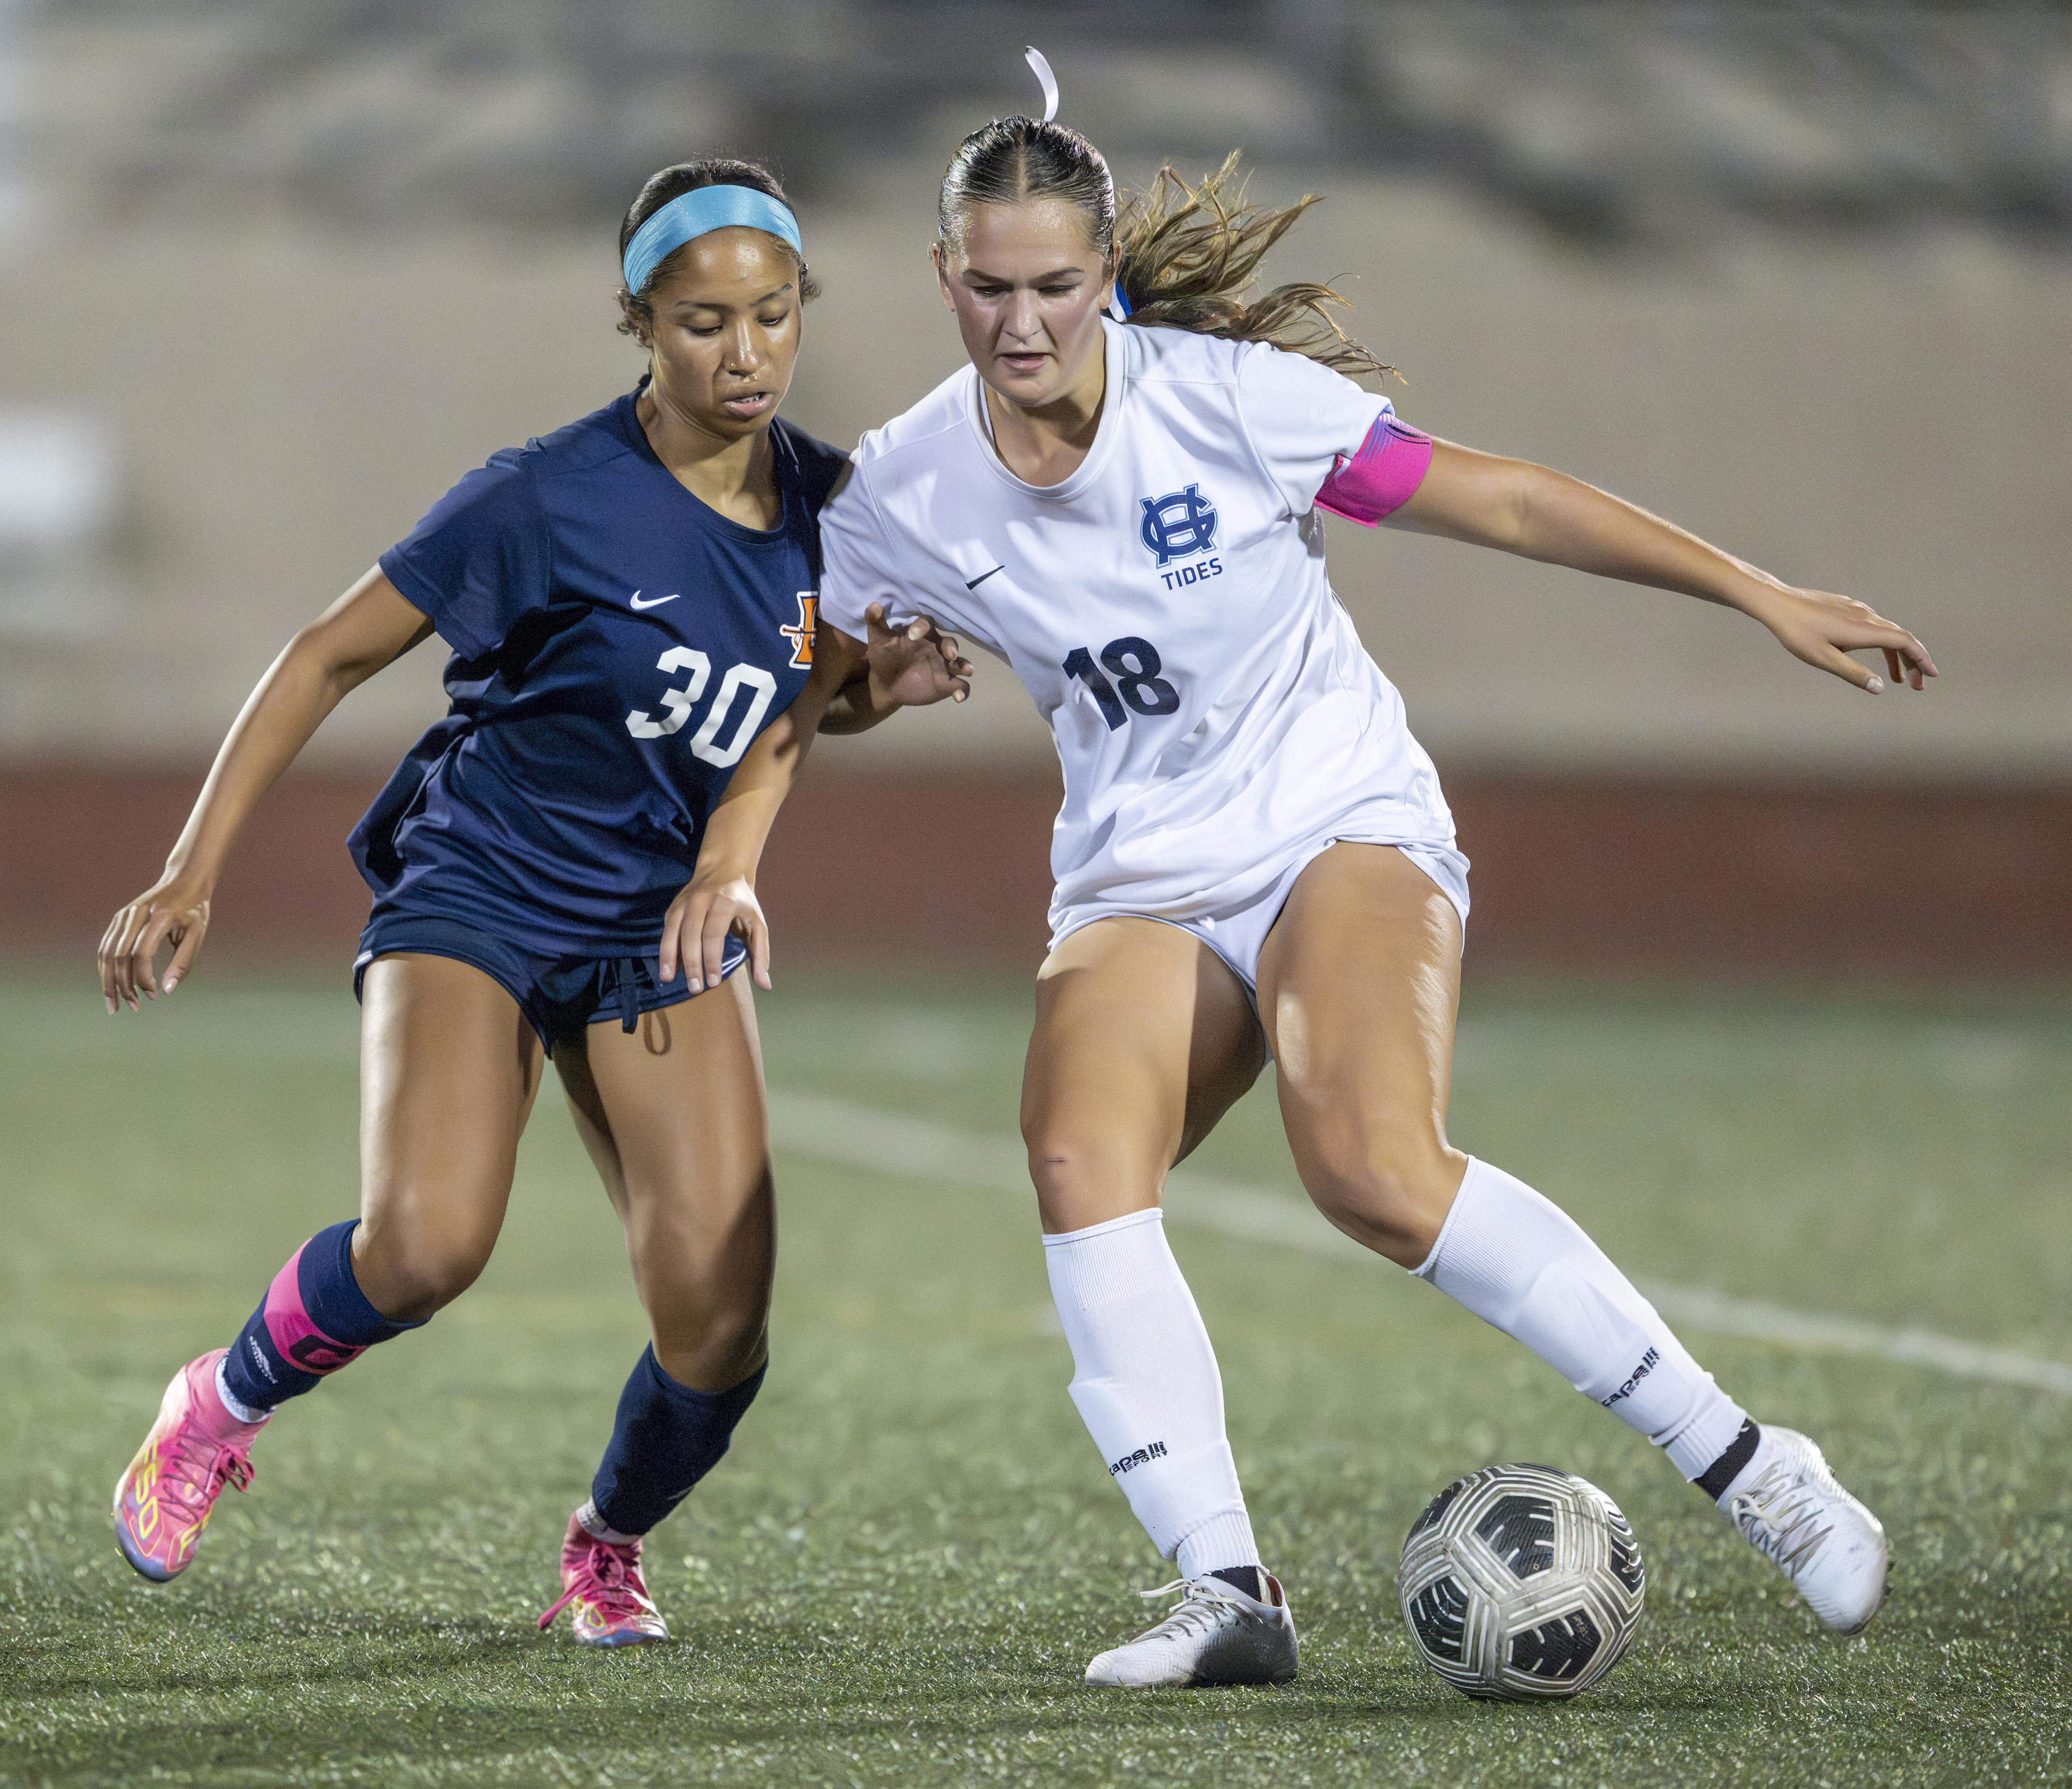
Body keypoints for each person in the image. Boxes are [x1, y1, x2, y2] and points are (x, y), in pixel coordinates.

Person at [669, 101, 1930, 1689]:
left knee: (1375, 1172)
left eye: (1054, 285)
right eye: (989, 289)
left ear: (1104, 270)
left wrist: (1757, 592)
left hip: (1337, 817)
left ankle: (1757, 1468)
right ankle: (1228, 1594)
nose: (1022, 322)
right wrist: (880, 693)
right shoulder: (904, 488)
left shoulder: (1232, 405)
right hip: (1138, 872)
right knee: (1075, 1153)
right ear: (943, 279)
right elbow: (823, 690)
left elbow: (1512, 503)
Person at [94, 158, 893, 1646]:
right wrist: (192, 866)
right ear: (637, 322)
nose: (745, 353)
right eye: (703, 320)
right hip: (484, 884)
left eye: (773, 316)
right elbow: (327, 654)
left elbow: (792, 701)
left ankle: (607, 1541)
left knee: (720, 1334)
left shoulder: (838, 507)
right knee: (427, 1244)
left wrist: (873, 687)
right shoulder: (545, 495)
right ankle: (217, 1402)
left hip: (655, 922)